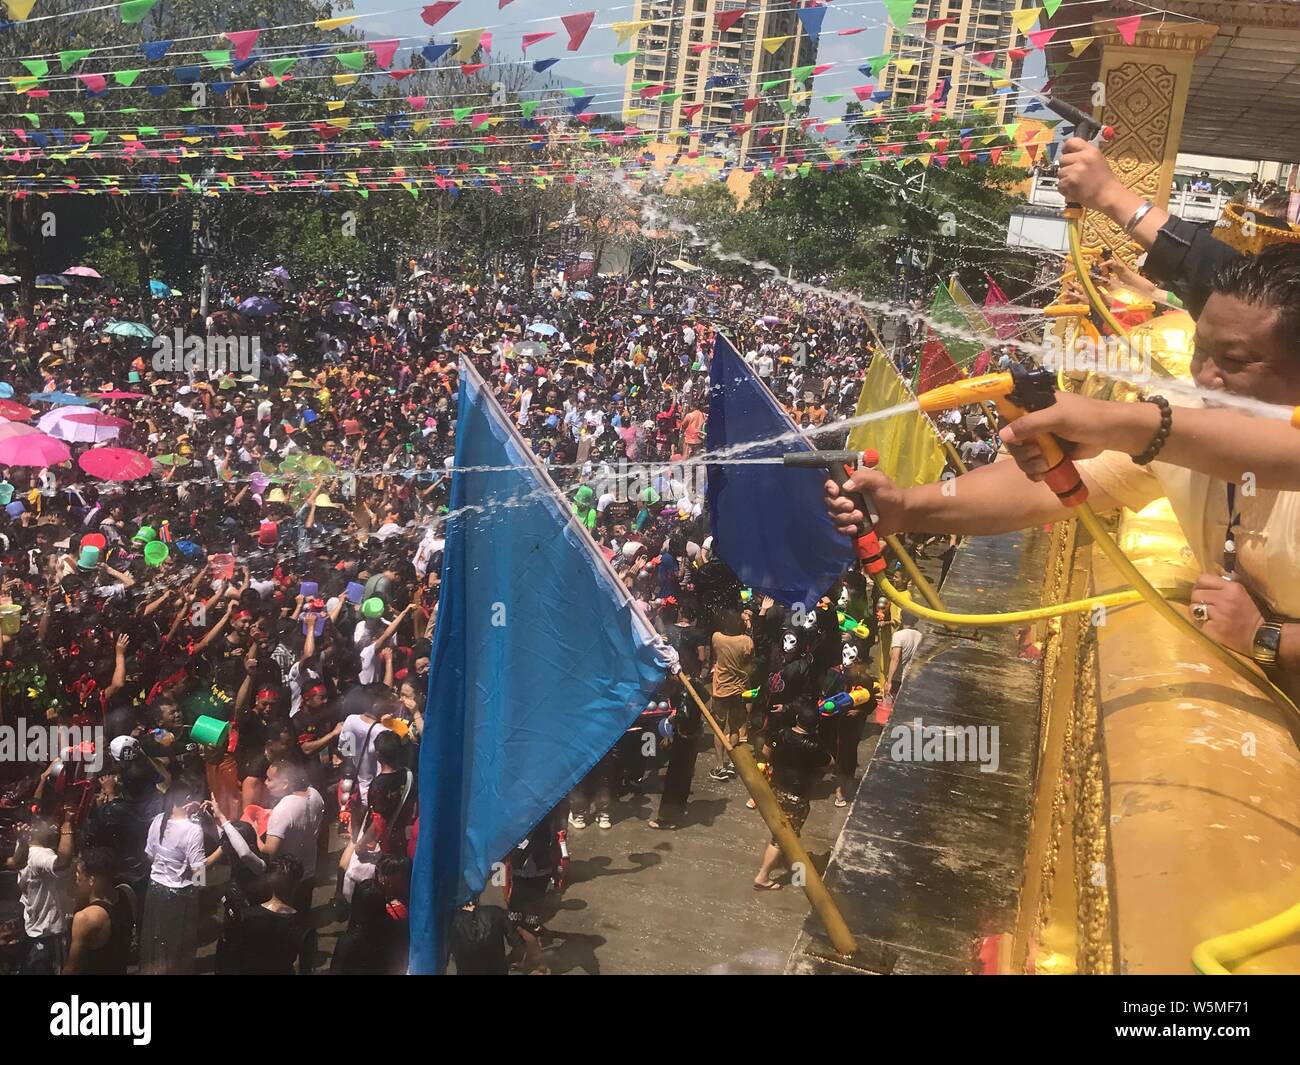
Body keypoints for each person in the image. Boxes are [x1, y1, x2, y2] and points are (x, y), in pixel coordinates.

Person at [826, 246, 1300, 698]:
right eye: (1200, 351)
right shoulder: (1185, 418)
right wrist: (907, 506)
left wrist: (1270, 638)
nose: (1204, 378)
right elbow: (1050, 486)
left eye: (1234, 361)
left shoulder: (1169, 424)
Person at [753, 700, 831, 891]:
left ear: (797, 719)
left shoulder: (781, 733)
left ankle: (785, 857)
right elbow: (829, 762)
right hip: (797, 795)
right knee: (782, 837)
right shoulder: (814, 745)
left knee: (783, 830)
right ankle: (763, 876)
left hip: (777, 787)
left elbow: (765, 751)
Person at [138, 777, 209, 975]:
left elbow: (150, 855)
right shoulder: (193, 830)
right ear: (188, 798)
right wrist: (221, 852)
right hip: (180, 895)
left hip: (155, 889)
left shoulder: (158, 820)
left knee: (155, 940)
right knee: (177, 945)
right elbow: (199, 876)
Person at [4, 813, 74, 974]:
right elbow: (62, 862)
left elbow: (14, 862)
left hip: (33, 930)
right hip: (49, 933)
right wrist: (67, 827)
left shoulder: (23, 847)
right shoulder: (40, 854)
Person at [263, 759, 325, 914]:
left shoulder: (283, 809)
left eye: (270, 779)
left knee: (285, 925)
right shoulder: (315, 794)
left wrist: (252, 830)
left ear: (285, 784)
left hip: (286, 880)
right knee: (303, 918)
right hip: (309, 872)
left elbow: (268, 852)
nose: (265, 783)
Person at [63, 847, 134, 975]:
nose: (76, 879)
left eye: (79, 874)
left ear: (91, 880)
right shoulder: (127, 894)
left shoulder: (86, 918)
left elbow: (72, 969)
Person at [447, 895, 545, 975]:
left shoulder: (450, 922)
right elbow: (519, 946)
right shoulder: (497, 912)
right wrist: (507, 961)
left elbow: (441, 956)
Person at [709, 609, 753, 782]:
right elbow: (749, 660)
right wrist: (748, 624)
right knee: (735, 727)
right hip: (739, 689)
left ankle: (720, 765)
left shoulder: (716, 638)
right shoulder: (746, 641)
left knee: (718, 728)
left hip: (720, 688)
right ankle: (734, 761)